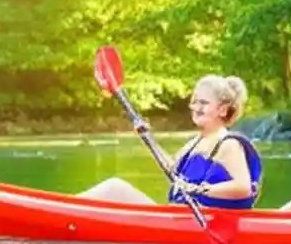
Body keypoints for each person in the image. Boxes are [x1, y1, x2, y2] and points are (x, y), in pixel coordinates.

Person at [78, 74, 263, 208]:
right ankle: (66, 210)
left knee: (115, 188)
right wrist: (146, 137)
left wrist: (199, 189)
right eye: (194, 102)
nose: (195, 108)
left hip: (206, 223)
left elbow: (242, 188)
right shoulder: (195, 143)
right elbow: (172, 171)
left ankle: (65, 211)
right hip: (179, 216)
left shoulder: (228, 144)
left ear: (222, 110)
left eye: (203, 103)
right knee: (115, 189)